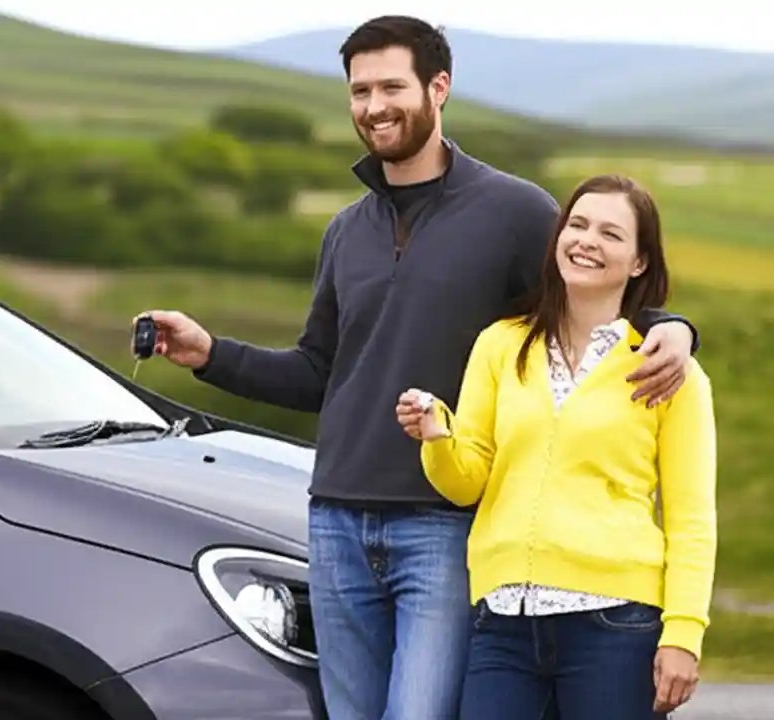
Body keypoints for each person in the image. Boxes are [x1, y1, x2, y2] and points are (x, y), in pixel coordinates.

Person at [133, 15, 701, 720]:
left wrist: (672, 327)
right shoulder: (346, 229)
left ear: (439, 87)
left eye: (391, 86)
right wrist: (211, 356)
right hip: (335, 519)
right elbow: (318, 372)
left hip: (443, 527)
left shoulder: (516, 211)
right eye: (359, 90)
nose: (374, 106)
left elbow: (585, 290)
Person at [395, 173, 716, 719]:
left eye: (612, 234)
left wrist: (683, 632)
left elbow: (691, 520)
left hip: (615, 624)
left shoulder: (668, 369)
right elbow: (465, 482)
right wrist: (437, 435)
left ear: (639, 261)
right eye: (578, 224)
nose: (588, 240)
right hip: (503, 619)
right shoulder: (501, 344)